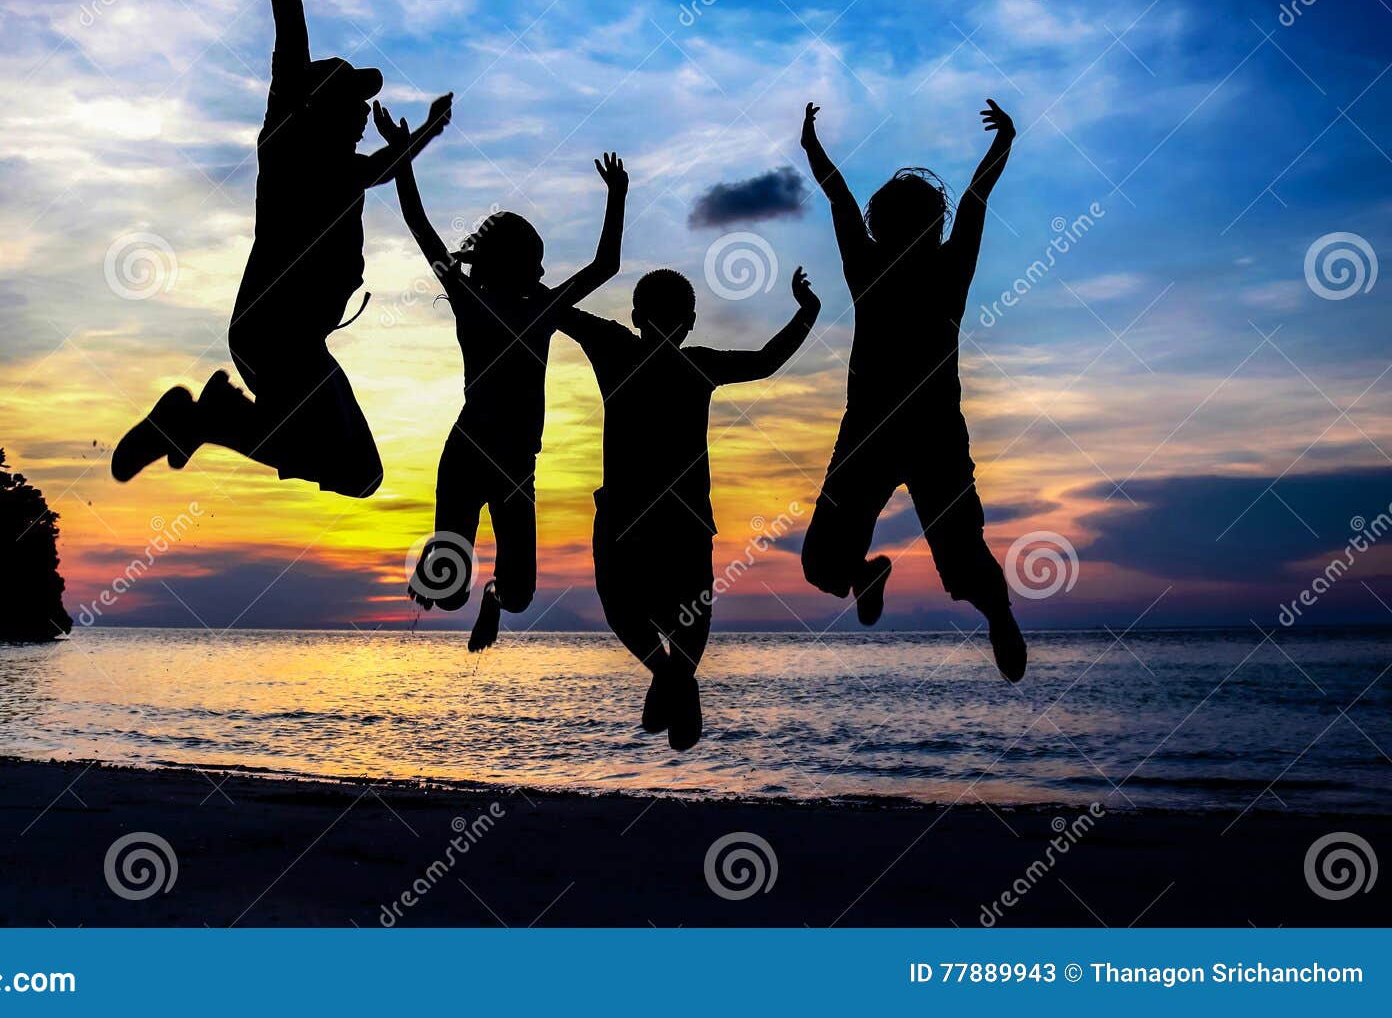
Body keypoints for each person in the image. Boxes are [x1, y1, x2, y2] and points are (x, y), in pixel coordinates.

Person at [110, 0, 452, 496]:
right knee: (348, 468)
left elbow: (384, 168)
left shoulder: (349, 169)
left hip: (300, 340)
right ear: (320, 104)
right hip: (276, 335)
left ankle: (207, 417)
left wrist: (422, 133)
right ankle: (206, 418)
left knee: (364, 473)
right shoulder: (292, 140)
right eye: (352, 99)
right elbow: (287, 14)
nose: (360, 110)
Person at [383, 102, 628, 652]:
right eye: (535, 263)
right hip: (468, 454)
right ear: (510, 263)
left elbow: (605, 265)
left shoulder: (542, 311)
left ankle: (492, 602)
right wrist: (401, 160)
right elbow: (420, 228)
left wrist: (617, 197)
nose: (543, 273)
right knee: (446, 593)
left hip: (517, 464)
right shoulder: (472, 301)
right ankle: (441, 564)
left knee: (518, 594)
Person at [798, 98, 1027, 681]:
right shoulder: (950, 267)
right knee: (960, 553)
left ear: (882, 226)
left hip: (879, 430)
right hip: (927, 431)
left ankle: (867, 576)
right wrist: (1003, 143)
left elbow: (839, 199)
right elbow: (976, 198)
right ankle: (992, 608)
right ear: (934, 223)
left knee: (824, 566)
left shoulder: (868, 266)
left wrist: (812, 147)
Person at [560, 267, 819, 750]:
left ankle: (673, 677)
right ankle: (676, 679)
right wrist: (807, 312)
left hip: (645, 515)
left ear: (637, 315)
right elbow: (766, 360)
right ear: (692, 320)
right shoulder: (676, 359)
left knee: (636, 609)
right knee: (675, 614)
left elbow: (557, 309)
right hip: (666, 517)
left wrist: (501, 276)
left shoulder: (619, 346)